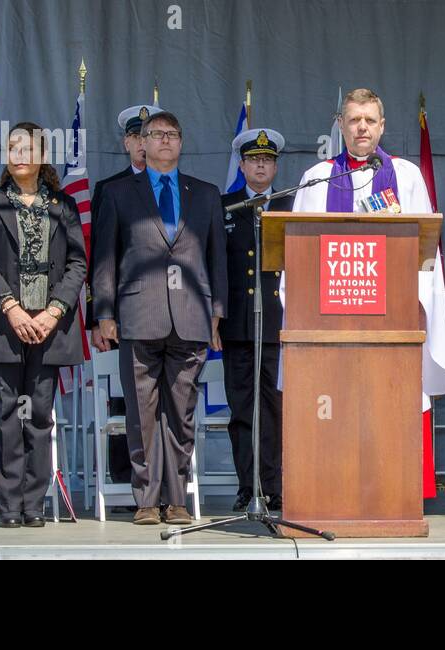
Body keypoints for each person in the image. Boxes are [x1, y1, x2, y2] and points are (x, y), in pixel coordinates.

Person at [291, 87, 445, 499]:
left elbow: (425, 249)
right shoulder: (317, 177)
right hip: (328, 320)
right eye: (353, 120)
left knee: (388, 403)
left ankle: (393, 493)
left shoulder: (405, 175)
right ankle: (331, 491)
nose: (361, 127)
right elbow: (296, 251)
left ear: (382, 126)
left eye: (369, 120)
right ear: (341, 125)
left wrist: (420, 306)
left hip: (392, 318)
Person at [93, 111, 227, 526]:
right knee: (142, 412)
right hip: (138, 314)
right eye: (156, 135)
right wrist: (103, 313)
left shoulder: (204, 194)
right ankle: (146, 499)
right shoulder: (118, 193)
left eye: (172, 134)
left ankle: (177, 499)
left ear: (181, 142)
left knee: (182, 411)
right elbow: (105, 259)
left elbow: (216, 258)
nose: (165, 141)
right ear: (142, 143)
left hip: (191, 316)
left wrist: (217, 313)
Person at [0, 122, 88, 528]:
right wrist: (13, 309)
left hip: (49, 328)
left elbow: (77, 263)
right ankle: (9, 506)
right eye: (12, 146)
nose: (19, 153)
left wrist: (53, 312)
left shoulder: (63, 205)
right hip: (4, 324)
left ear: (41, 156)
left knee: (38, 416)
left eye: (27, 147)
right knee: (7, 415)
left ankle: (34, 504)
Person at [90, 104, 163, 492]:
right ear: (126, 142)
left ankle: (165, 483)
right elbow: (102, 257)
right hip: (124, 314)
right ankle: (124, 480)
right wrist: (100, 315)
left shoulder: (174, 186)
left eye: (148, 136)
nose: (141, 144)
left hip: (169, 313)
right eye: (135, 136)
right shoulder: (110, 188)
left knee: (164, 404)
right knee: (125, 402)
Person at [218, 128, 292, 512]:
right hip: (238, 327)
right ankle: (248, 486)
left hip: (280, 327)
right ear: (242, 165)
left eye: (268, 160)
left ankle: (275, 486)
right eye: (254, 160)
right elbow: (213, 266)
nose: (261, 165)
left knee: (277, 408)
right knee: (243, 409)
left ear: (276, 167)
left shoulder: (291, 206)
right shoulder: (224, 206)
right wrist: (214, 316)